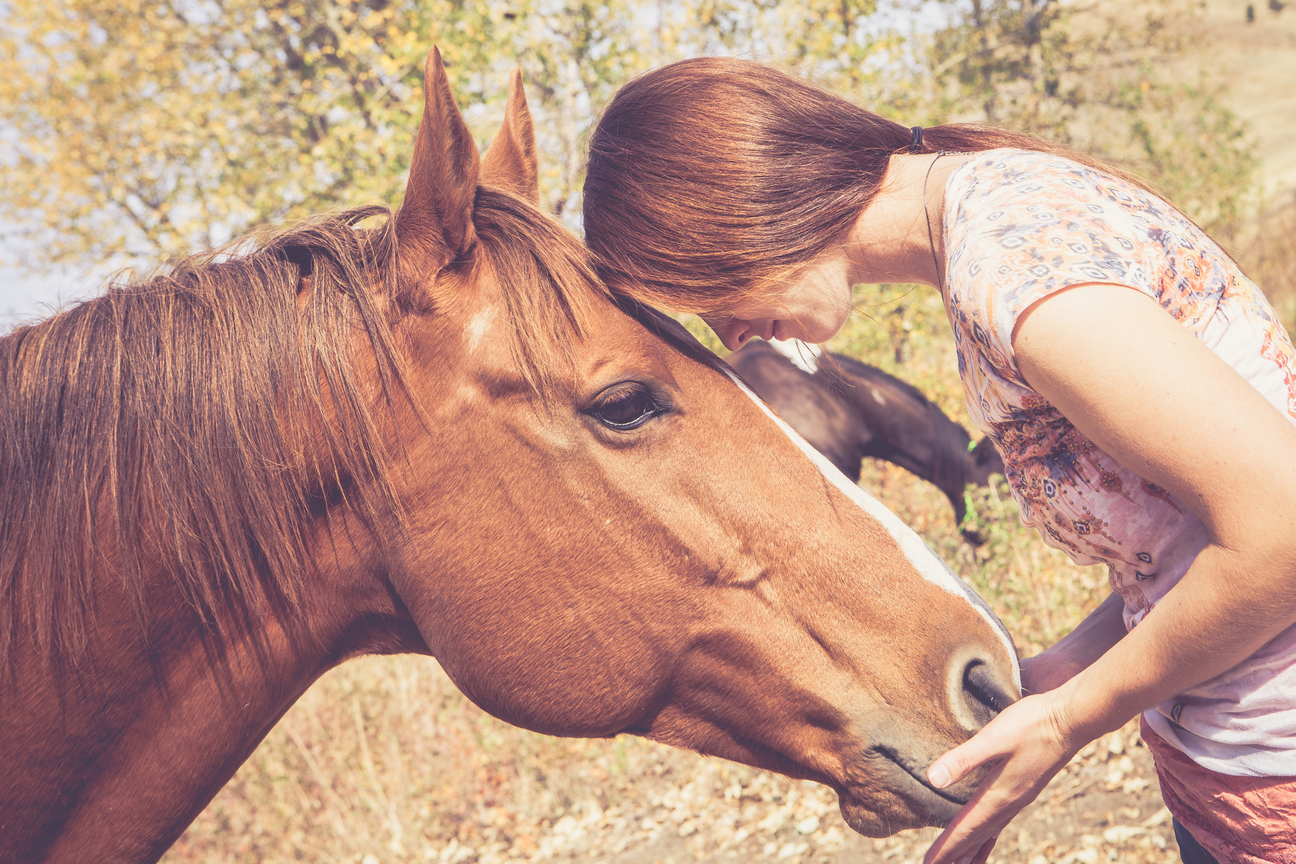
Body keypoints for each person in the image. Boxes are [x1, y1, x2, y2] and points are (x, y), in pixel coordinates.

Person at [581, 56, 1296, 864]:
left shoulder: (1018, 271)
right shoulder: (992, 224)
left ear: (736, 218)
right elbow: (1190, 543)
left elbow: (1281, 528)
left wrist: (1068, 722)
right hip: (1228, 768)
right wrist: (1062, 671)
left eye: (708, 295)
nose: (731, 336)